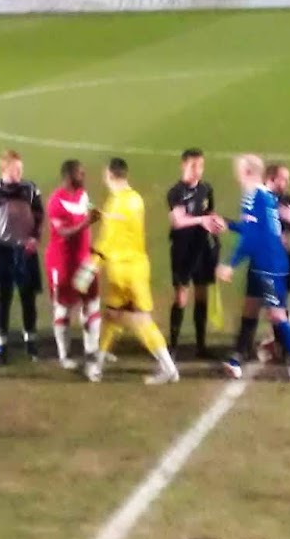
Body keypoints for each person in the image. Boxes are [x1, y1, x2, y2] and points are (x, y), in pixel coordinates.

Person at [85, 158, 181, 386]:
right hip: (138, 267)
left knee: (140, 320)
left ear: (109, 175)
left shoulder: (114, 204)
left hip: (121, 271)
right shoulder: (135, 199)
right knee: (112, 315)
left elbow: (106, 241)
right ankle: (96, 367)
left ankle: (169, 369)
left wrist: (90, 267)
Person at [218, 154, 290, 383]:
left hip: (267, 266)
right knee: (249, 309)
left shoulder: (253, 196)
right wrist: (227, 224)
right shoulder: (266, 197)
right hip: (268, 263)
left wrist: (230, 264)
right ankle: (237, 359)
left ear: (248, 172)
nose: (236, 176)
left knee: (277, 314)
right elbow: (257, 230)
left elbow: (251, 238)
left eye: (239, 171)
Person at [0, 150, 46, 364]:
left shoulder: (30, 190)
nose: (19, 172)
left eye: (20, 169)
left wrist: (34, 238)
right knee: (3, 299)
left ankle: (31, 344)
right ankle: (1, 346)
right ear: (4, 169)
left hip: (26, 250)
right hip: (2, 250)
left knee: (28, 298)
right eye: (15, 169)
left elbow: (40, 216)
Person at [45, 158, 102, 369]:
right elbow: (63, 232)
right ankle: (64, 355)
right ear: (69, 177)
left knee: (92, 303)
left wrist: (93, 245)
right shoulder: (55, 202)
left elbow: (88, 209)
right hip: (62, 263)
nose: (84, 175)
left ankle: (91, 352)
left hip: (84, 259)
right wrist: (87, 222)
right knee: (63, 308)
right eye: (80, 173)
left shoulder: (83, 194)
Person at [167, 148, 221, 358]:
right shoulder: (176, 192)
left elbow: (210, 213)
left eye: (200, 166)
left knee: (201, 294)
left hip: (202, 249)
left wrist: (216, 223)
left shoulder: (206, 189)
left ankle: (201, 345)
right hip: (182, 250)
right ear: (184, 165)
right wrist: (201, 221)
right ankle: (172, 345)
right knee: (181, 296)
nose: (197, 170)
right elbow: (178, 220)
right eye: (193, 166)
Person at [255, 162, 290, 362]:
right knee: (269, 307)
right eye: (283, 178)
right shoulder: (260, 199)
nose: (286, 182)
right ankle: (283, 347)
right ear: (271, 178)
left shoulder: (287, 200)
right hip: (267, 260)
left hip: (283, 260)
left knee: (280, 305)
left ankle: (284, 347)